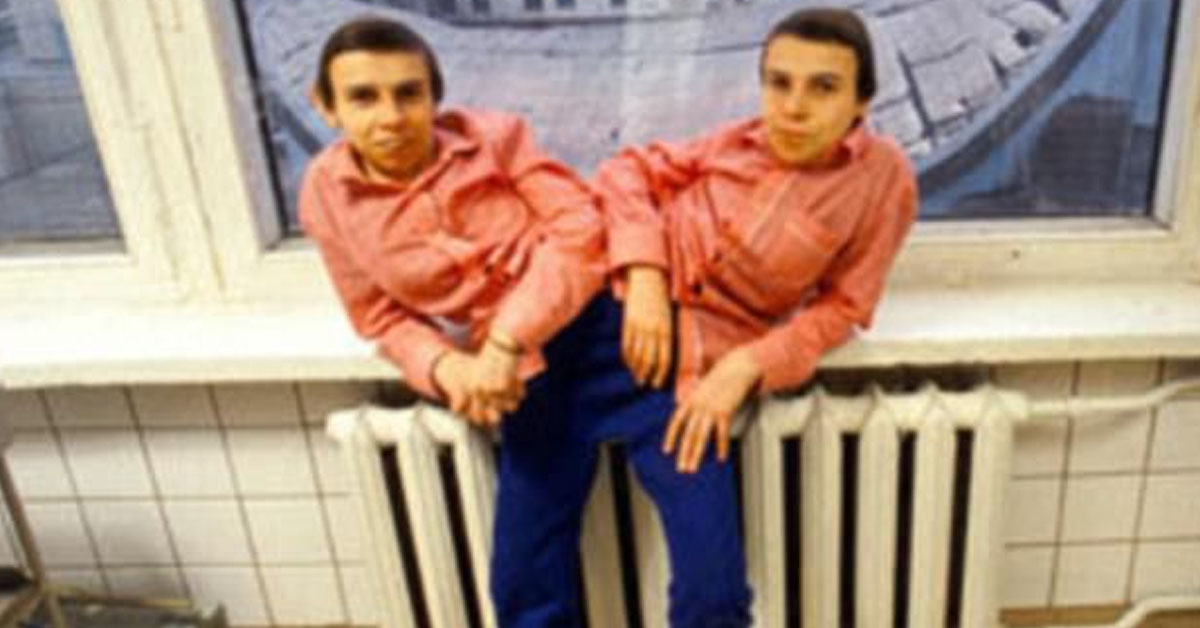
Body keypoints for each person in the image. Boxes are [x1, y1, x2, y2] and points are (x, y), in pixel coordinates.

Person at [299, 17, 751, 626]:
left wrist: (508, 338)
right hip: (528, 386)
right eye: (363, 97)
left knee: (713, 583)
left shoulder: (496, 138)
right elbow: (379, 315)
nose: (391, 117)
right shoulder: (325, 196)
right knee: (523, 589)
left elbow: (581, 231)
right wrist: (446, 366)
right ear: (325, 106)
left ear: (434, 97)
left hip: (624, 344)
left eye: (409, 93)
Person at [597, 7, 918, 475]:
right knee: (539, 501)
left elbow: (844, 307)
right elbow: (626, 171)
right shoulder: (738, 142)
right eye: (779, 84)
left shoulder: (883, 178)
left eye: (824, 88)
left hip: (698, 363)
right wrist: (646, 275)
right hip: (612, 308)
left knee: (707, 520)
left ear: (862, 103)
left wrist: (747, 364)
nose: (793, 108)